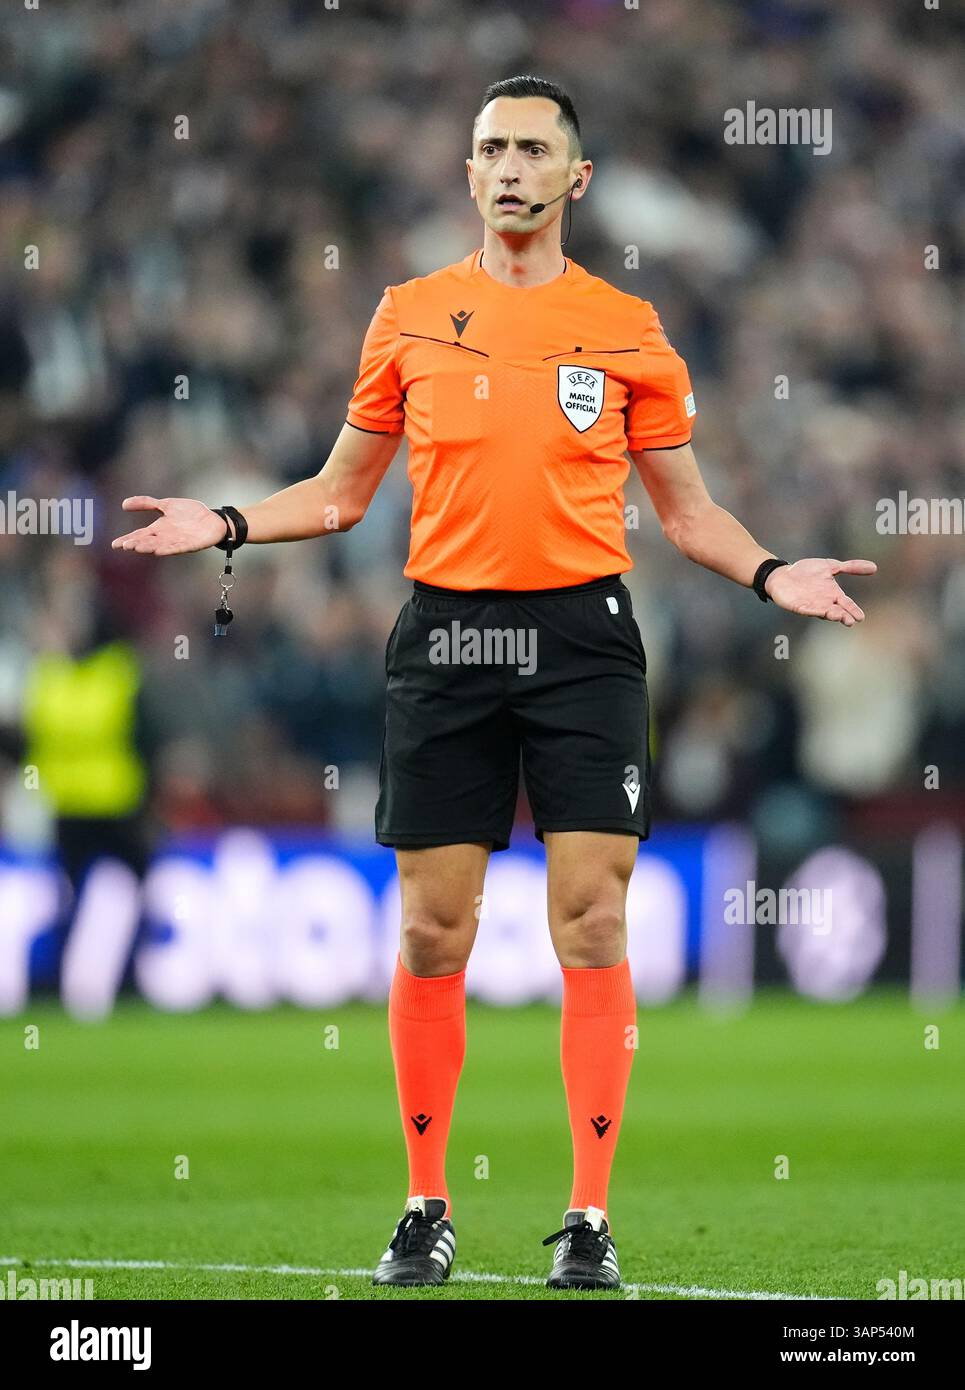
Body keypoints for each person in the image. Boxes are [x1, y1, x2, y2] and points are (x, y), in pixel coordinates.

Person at [111, 75, 876, 1292]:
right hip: (448, 640)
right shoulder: (408, 314)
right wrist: (230, 518)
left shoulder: (627, 327)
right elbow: (342, 492)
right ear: (466, 176)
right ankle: (425, 1204)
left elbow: (685, 512)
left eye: (531, 148)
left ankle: (587, 1217)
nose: (507, 166)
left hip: (581, 639)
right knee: (430, 928)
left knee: (590, 918)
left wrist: (770, 569)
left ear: (576, 179)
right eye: (488, 149)